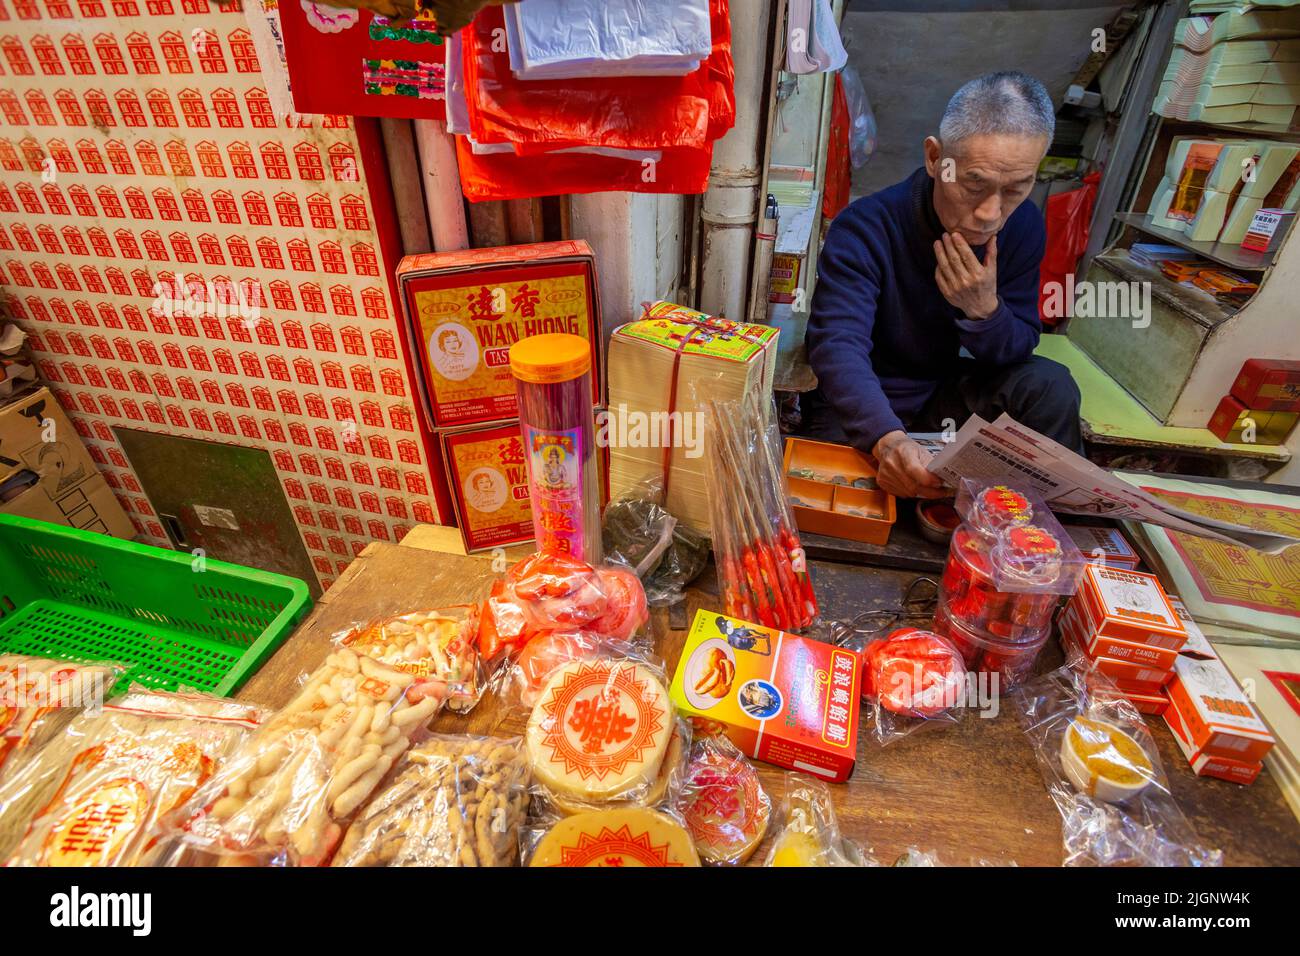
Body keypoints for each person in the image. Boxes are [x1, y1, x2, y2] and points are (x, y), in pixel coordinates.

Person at [801, 71, 1082, 499]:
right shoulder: (867, 227)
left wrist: (985, 312)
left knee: (1051, 385)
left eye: (1016, 188)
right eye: (974, 183)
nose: (991, 213)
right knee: (836, 495)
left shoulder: (1022, 226)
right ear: (935, 158)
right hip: (865, 400)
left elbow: (1017, 347)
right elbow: (836, 344)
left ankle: (1033, 534)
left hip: (943, 395)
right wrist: (887, 438)